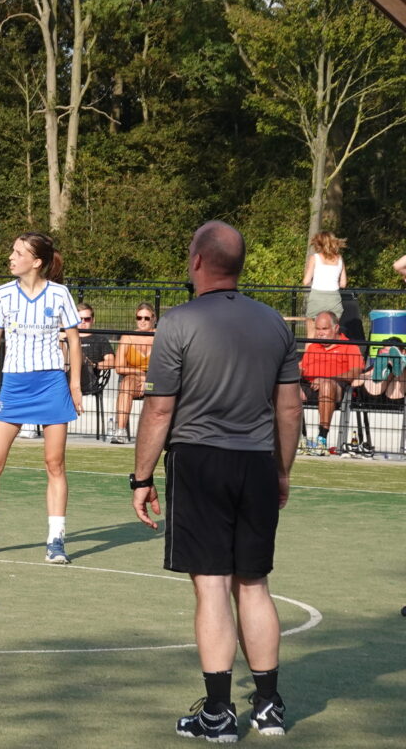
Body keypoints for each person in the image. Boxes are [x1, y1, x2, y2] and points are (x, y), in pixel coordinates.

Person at [131, 221, 302, 740]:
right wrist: (282, 470)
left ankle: (218, 714)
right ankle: (268, 707)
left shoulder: (178, 322)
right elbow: (289, 406)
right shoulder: (275, 322)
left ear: (198, 261)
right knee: (254, 584)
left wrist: (140, 477)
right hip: (255, 462)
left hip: (199, 462)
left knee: (211, 587)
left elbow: (160, 410)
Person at [0, 232, 82, 564]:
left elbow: (74, 343)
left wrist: (74, 385)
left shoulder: (60, 294)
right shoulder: (3, 294)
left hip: (51, 383)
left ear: (36, 261)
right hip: (14, 386)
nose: (10, 257)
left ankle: (55, 539)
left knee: (55, 464)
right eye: (12, 251)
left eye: (17, 252)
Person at [298, 310, 366, 454]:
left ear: (335, 328)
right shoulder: (312, 347)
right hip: (309, 385)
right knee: (286, 388)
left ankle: (321, 439)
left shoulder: (350, 347)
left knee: (327, 385)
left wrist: (327, 379)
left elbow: (355, 372)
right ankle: (297, 438)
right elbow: (302, 368)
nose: (320, 333)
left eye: (324, 329)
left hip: (336, 388)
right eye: (317, 329)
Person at [108, 304, 156, 445]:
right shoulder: (128, 337)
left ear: (153, 318)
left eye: (146, 318)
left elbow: (165, 364)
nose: (142, 321)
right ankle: (120, 431)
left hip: (155, 378)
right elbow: (119, 367)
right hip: (134, 376)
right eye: (139, 317)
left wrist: (149, 378)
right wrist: (139, 373)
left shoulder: (160, 336)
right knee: (126, 384)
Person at [301, 231, 346, 339]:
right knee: (333, 335)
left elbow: (306, 281)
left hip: (317, 298)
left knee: (311, 335)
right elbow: (343, 283)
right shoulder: (339, 258)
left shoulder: (315, 258)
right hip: (334, 299)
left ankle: (309, 356)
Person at [73, 303, 117, 413]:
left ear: (93, 320)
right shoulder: (68, 338)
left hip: (90, 380)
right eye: (79, 319)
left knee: (79, 359)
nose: (82, 322)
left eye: (86, 319)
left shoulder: (100, 339)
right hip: (68, 378)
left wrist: (93, 365)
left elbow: (112, 362)